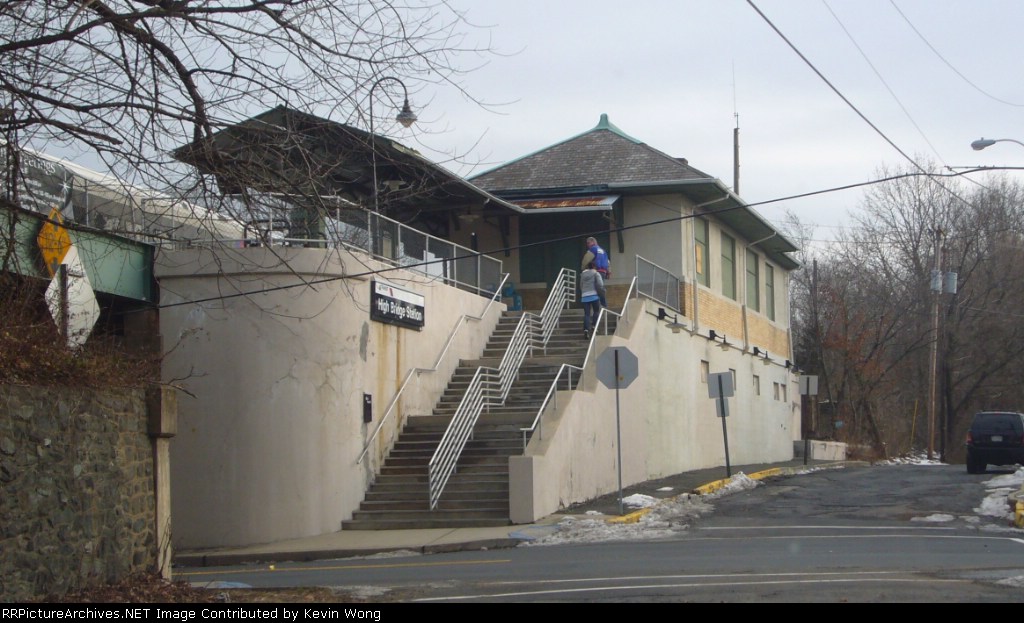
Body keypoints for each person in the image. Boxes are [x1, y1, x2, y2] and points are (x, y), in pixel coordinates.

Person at [581, 236, 609, 307]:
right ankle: (603, 303)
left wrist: (583, 268)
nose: (587, 245)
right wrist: (608, 272)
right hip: (603, 271)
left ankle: (600, 303)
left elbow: (586, 260)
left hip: (596, 271)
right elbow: (608, 261)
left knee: (594, 289)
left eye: (588, 243)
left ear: (593, 242)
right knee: (600, 286)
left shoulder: (593, 249)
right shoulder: (603, 250)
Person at [579, 261, 605, 340]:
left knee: (587, 314)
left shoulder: (583, 275)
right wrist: (602, 292)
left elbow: (581, 285)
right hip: (594, 296)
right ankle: (594, 326)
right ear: (594, 267)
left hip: (584, 297)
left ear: (587, 267)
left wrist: (584, 292)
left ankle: (586, 330)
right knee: (596, 311)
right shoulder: (596, 273)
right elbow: (600, 284)